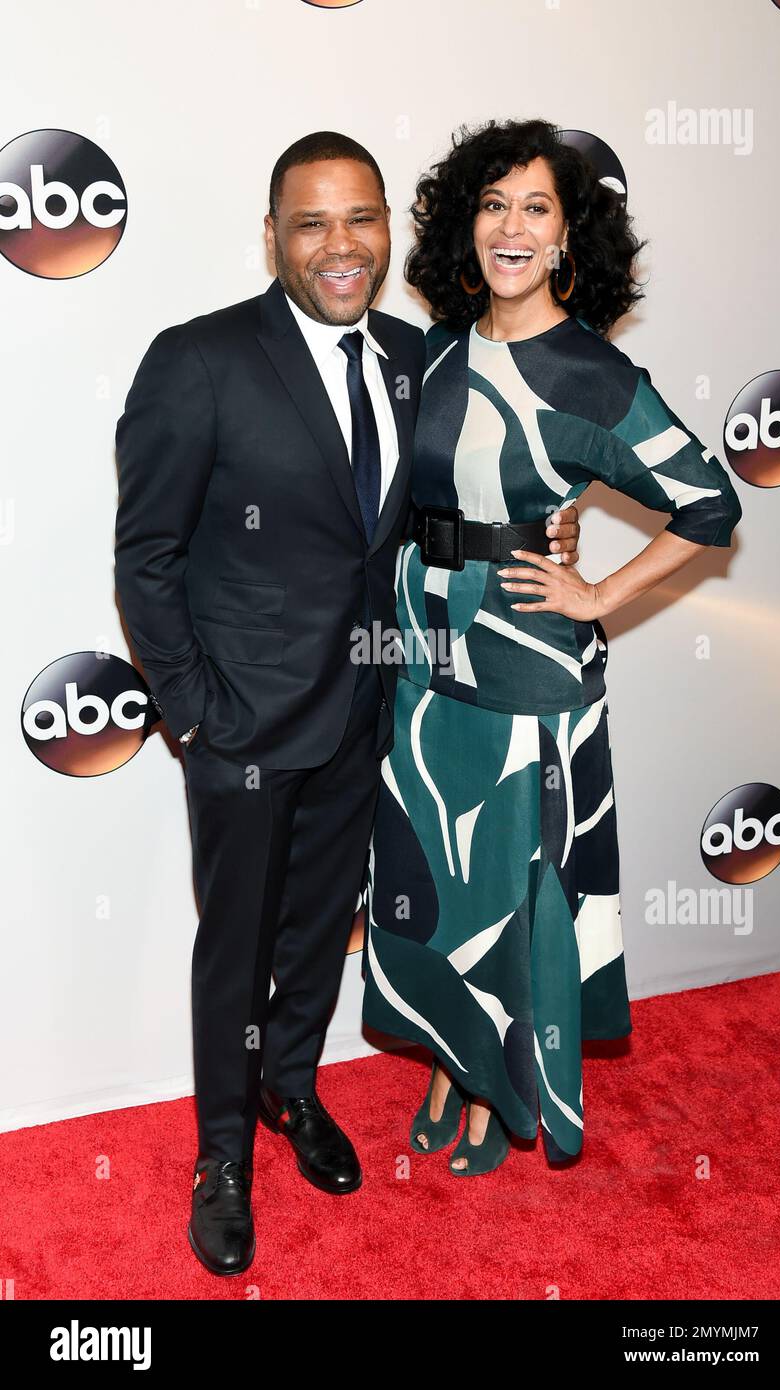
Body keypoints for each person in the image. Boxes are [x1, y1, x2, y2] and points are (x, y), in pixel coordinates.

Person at [114, 129, 583, 1272]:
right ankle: (221, 1156)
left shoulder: (418, 356)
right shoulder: (200, 359)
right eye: (311, 222)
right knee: (235, 949)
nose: (340, 245)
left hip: (369, 716)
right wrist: (195, 714)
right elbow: (147, 556)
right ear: (272, 236)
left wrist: (541, 530)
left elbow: (446, 502)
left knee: (320, 934)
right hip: (244, 730)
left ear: (386, 231)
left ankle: (289, 1090)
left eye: (359, 219)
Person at [361, 117, 743, 1176]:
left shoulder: (587, 372)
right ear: (464, 226)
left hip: (525, 661)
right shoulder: (434, 347)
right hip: (423, 658)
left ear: (570, 235)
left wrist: (595, 590)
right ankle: (451, 1053)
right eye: (492, 205)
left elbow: (708, 504)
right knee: (432, 869)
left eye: (536, 207)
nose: (510, 227)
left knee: (503, 879)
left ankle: (505, 1085)